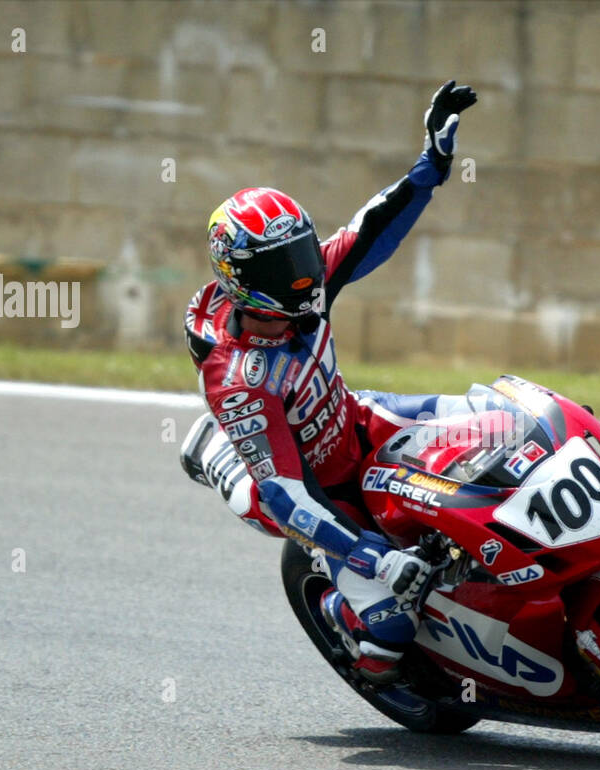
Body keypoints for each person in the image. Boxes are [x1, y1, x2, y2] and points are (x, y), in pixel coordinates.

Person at [179, 81, 477, 684]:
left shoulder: (308, 279)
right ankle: (350, 620)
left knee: (491, 416)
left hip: (356, 420)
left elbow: (373, 228)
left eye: (300, 253)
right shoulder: (239, 376)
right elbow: (288, 498)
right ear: (241, 279)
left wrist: (432, 164)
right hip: (317, 493)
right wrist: (375, 558)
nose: (304, 272)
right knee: (388, 635)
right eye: (281, 264)